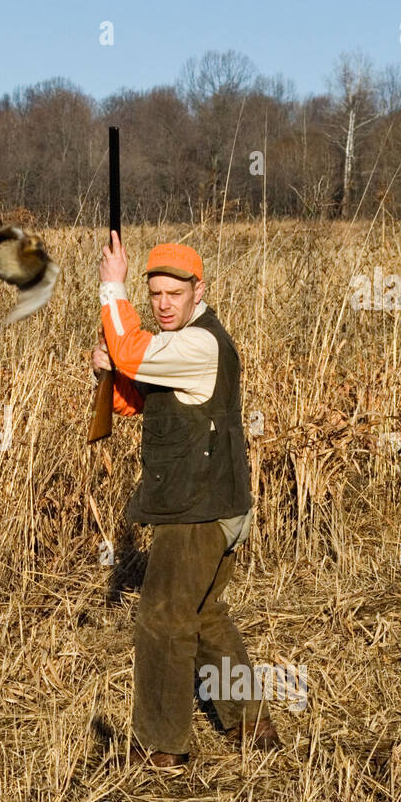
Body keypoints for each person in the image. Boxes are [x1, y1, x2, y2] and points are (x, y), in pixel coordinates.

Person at [92, 232, 281, 772]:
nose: (164, 304)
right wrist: (109, 373)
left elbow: (133, 350)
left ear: (200, 290)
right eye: (155, 295)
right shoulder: (185, 343)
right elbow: (134, 403)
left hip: (196, 512)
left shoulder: (199, 344)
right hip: (216, 504)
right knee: (205, 615)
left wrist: (111, 286)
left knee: (161, 618)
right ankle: (251, 722)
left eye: (175, 293)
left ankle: (162, 746)